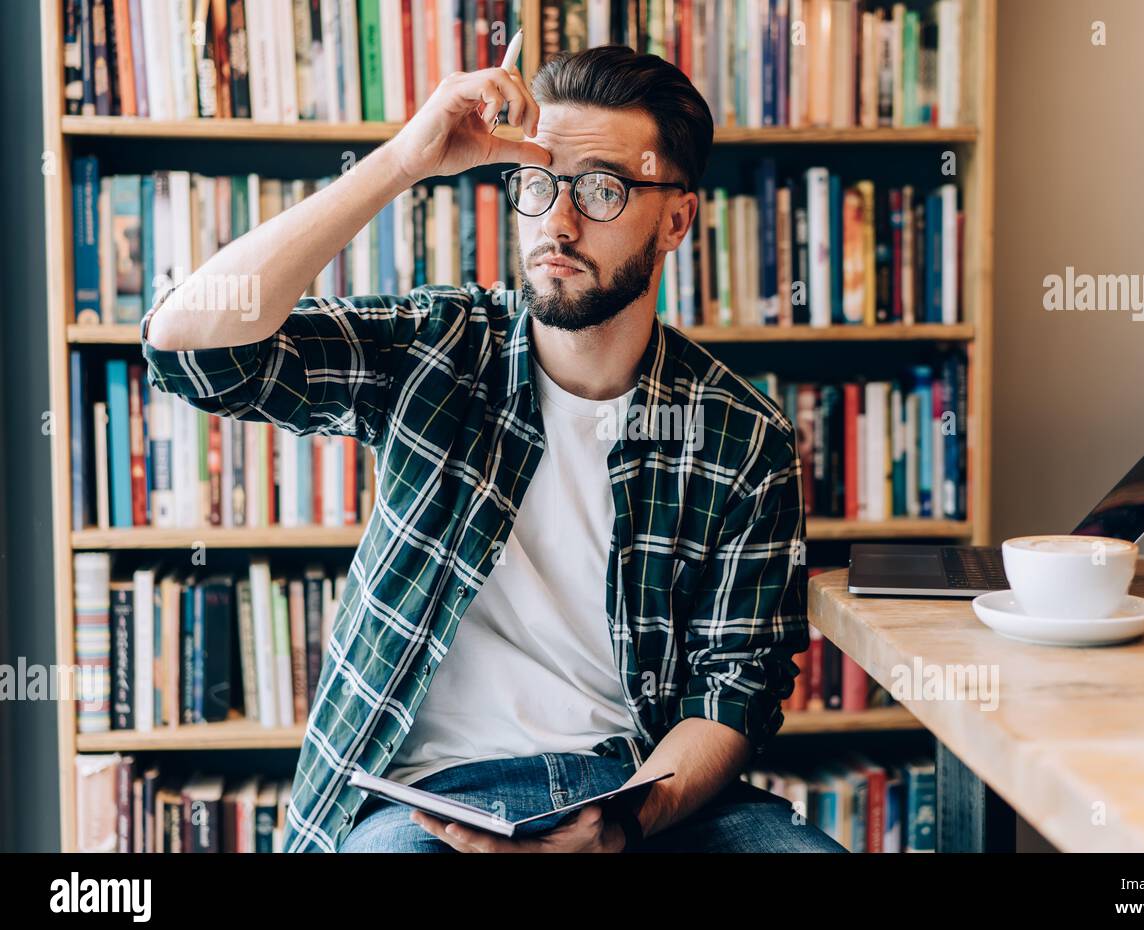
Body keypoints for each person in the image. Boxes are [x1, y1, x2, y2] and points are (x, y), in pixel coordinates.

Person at [142, 45, 842, 853]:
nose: (559, 223)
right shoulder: (440, 348)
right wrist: (405, 161)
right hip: (425, 802)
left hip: (642, 792)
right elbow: (189, 350)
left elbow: (733, 694)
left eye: (604, 190)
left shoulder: (742, 434)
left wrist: (622, 825)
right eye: (539, 184)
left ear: (677, 218)